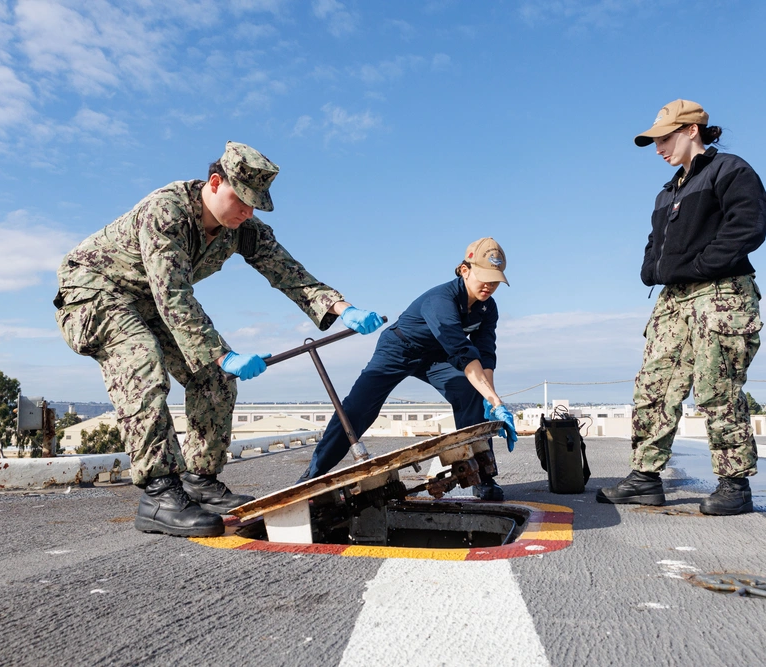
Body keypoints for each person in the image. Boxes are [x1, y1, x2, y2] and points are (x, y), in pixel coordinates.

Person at [53, 141, 383, 537]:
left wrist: (339, 307)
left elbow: (288, 271)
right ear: (214, 182)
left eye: (254, 205)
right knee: (142, 360)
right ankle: (158, 494)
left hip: (149, 302)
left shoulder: (240, 228)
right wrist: (221, 353)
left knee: (214, 378)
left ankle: (200, 480)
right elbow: (172, 293)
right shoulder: (167, 211)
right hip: (93, 293)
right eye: (241, 200)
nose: (247, 211)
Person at [597, 100, 766, 516]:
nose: (658, 147)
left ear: (692, 130)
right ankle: (645, 478)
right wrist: (651, 269)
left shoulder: (729, 170)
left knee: (717, 387)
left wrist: (699, 264)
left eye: (665, 138)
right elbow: (654, 244)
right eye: (655, 140)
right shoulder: (668, 191)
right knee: (654, 386)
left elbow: (747, 226)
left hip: (721, 292)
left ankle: (734, 483)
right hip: (673, 297)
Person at [299, 238, 518, 501]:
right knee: (358, 410)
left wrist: (491, 401)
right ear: (464, 270)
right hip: (399, 348)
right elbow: (461, 350)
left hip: (437, 357)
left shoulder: (487, 308)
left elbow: (484, 354)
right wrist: (495, 399)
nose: (489, 286)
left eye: (495, 281)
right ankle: (312, 476)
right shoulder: (441, 299)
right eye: (483, 277)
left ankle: (482, 476)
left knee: (470, 392)